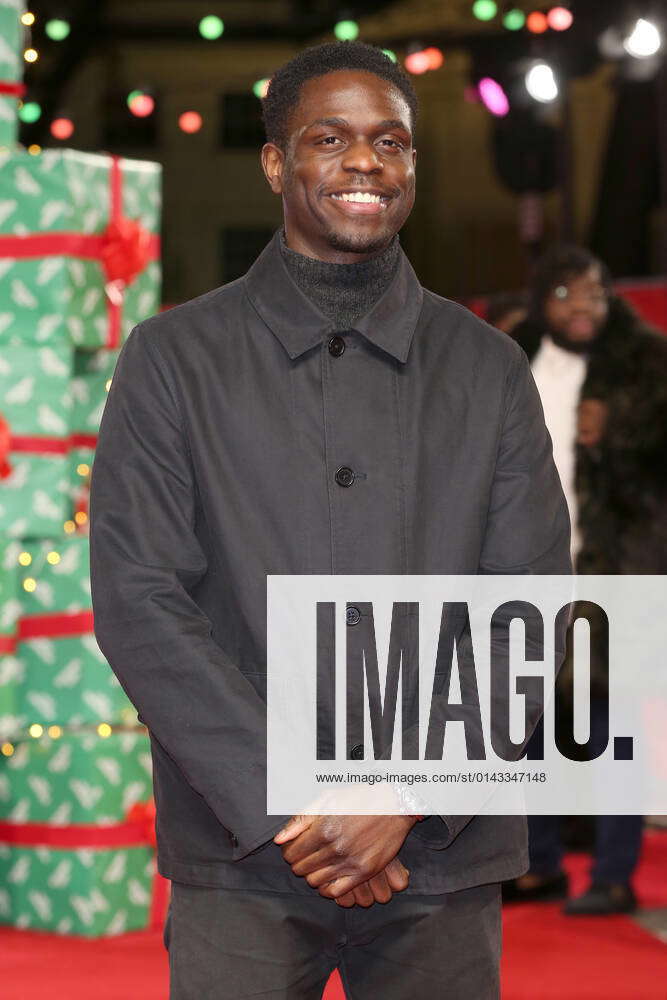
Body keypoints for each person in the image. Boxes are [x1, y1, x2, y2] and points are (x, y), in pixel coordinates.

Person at [89, 42, 570, 999]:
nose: (364, 162)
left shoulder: (487, 367)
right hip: (244, 850)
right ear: (276, 163)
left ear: (412, 165)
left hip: (441, 852)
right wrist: (301, 801)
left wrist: (403, 794)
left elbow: (527, 605)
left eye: (390, 141)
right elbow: (140, 598)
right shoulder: (173, 357)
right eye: (329, 138)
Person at [506, 245, 667, 915]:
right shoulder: (512, 359)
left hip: (614, 568)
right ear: (542, 298)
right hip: (528, 565)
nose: (584, 306)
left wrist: (619, 436)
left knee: (609, 723)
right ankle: (538, 865)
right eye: (568, 293)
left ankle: (614, 872)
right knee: (531, 722)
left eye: (596, 293)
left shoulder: (644, 364)